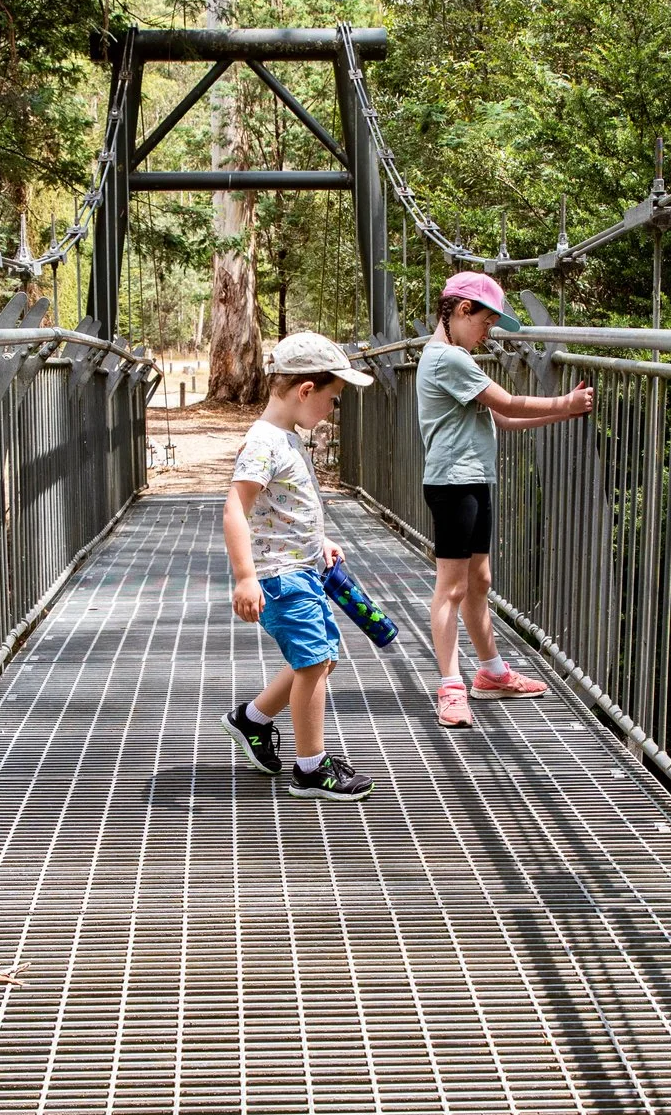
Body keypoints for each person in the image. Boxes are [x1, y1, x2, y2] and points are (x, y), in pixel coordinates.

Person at [416, 271, 595, 729]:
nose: (488, 334)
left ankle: (492, 673)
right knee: (452, 587)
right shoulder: (447, 360)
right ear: (461, 311)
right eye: (486, 323)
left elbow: (504, 418)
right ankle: (451, 687)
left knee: (480, 580)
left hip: (474, 481)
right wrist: (564, 405)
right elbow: (511, 402)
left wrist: (562, 411)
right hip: (453, 483)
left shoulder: (455, 358)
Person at [221, 331, 379, 801]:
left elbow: (285, 507)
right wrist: (246, 578)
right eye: (332, 400)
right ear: (305, 391)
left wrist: (320, 542)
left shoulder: (285, 437)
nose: (333, 411)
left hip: (302, 570)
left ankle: (251, 720)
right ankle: (311, 769)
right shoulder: (264, 443)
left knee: (320, 658)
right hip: (279, 579)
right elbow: (236, 508)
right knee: (314, 662)